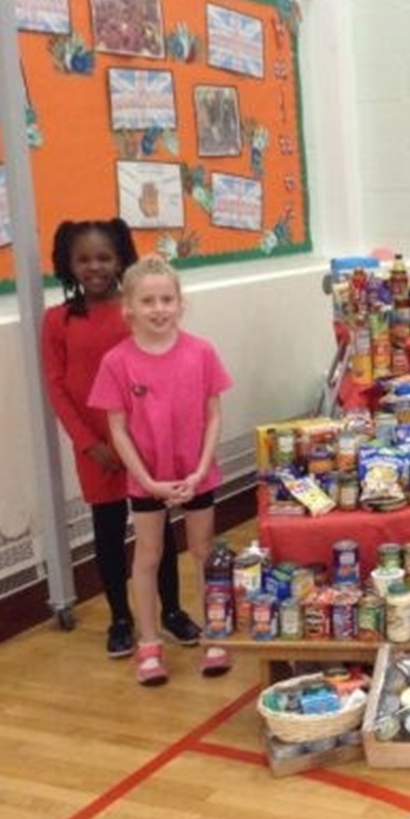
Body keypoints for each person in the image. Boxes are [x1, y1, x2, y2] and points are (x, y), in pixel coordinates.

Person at [41, 219, 202, 659]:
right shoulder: (57, 320)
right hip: (97, 448)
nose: (94, 267)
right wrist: (87, 442)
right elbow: (56, 385)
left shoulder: (136, 309)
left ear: (120, 260)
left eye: (104, 257)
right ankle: (121, 618)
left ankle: (171, 611)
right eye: (84, 259)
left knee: (157, 534)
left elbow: (163, 366)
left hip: (146, 444)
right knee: (109, 532)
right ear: (68, 264)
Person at [89, 255, 234, 686]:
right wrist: (148, 480)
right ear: (129, 307)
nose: (158, 308)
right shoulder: (117, 362)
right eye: (148, 300)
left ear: (180, 303)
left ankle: (215, 634)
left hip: (197, 474)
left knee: (204, 553)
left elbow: (213, 416)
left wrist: (201, 468)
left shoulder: (202, 352)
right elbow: (117, 429)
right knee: (149, 555)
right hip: (147, 479)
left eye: (166, 299)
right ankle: (149, 643)